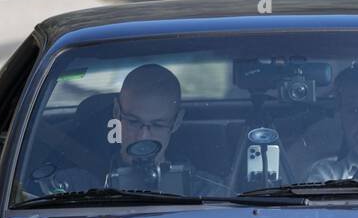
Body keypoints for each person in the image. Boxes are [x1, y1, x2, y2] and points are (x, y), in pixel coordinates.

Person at [29, 63, 227, 196]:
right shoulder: (75, 187)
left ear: (176, 122)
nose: (143, 136)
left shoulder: (207, 193)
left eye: (157, 125)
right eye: (133, 122)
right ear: (116, 112)